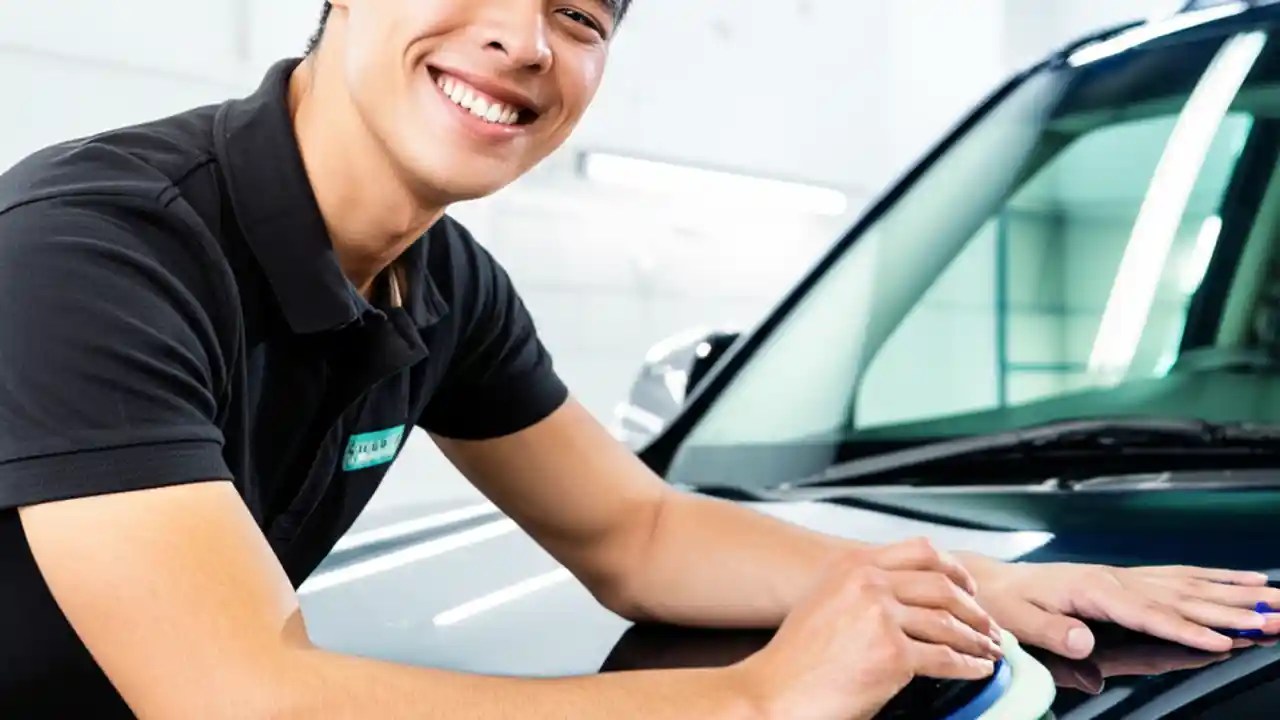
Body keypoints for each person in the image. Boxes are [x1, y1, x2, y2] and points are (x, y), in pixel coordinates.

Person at [0, 1, 1275, 717]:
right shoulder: (94, 246)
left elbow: (640, 534)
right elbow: (236, 699)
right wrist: (760, 701)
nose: (524, 40)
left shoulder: (441, 280)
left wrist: (983, 586)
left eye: (578, 14)